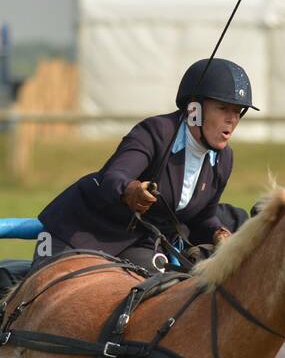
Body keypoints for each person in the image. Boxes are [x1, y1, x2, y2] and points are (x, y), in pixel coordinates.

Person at [36, 58, 255, 271]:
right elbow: (114, 177)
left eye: (237, 111)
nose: (232, 119)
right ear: (194, 109)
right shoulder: (156, 132)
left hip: (140, 245)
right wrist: (130, 191)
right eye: (223, 108)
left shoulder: (224, 160)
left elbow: (202, 218)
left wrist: (219, 233)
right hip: (80, 233)